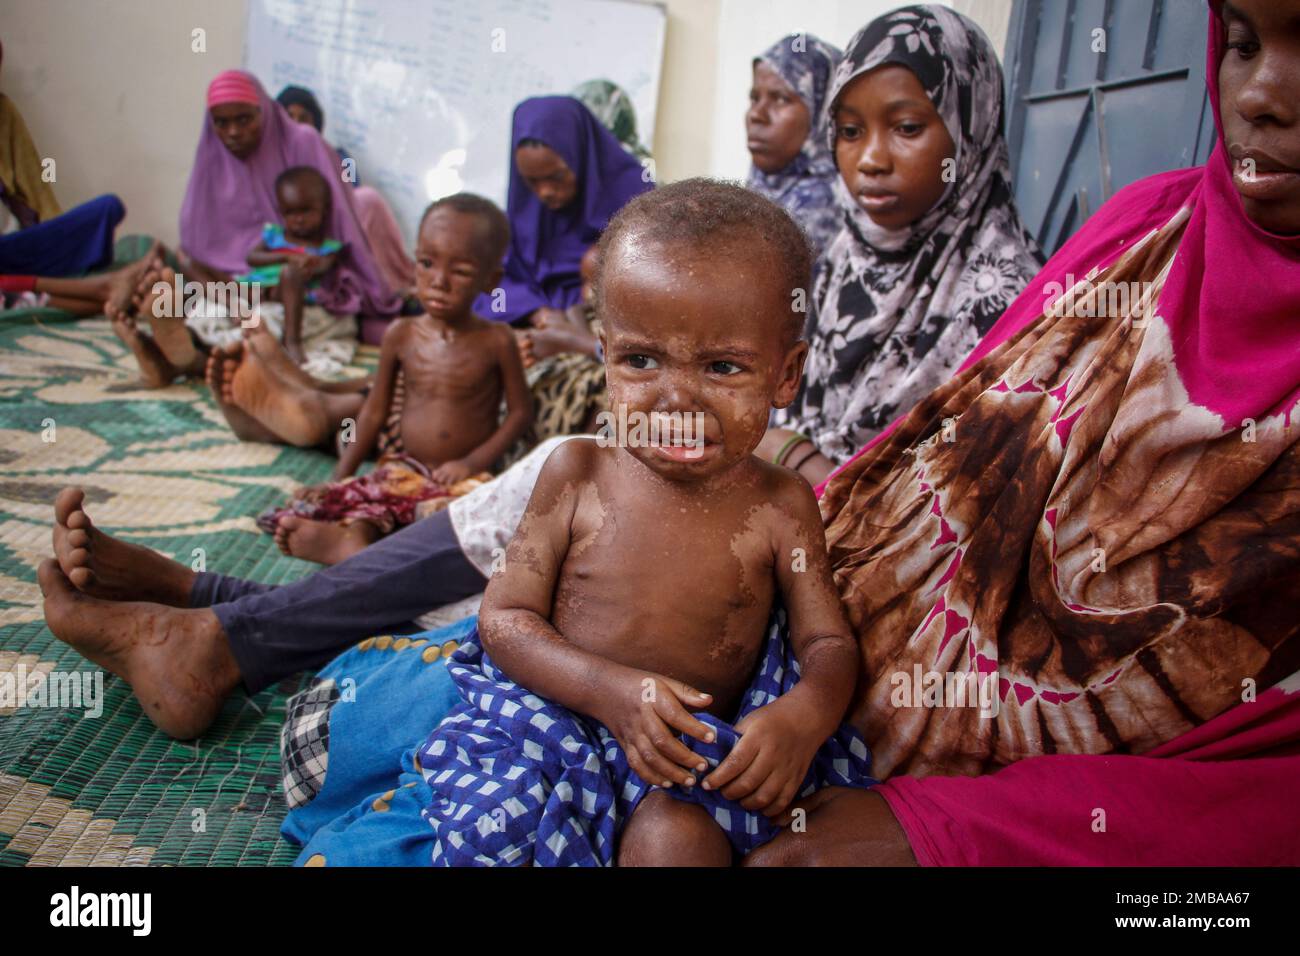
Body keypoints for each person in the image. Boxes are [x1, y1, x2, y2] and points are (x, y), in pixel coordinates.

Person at [37, 0, 1300, 865]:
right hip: (773, 504)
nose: (1265, 95)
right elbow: (919, 448)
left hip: (814, 592)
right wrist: (643, 377)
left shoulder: (984, 271)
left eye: (904, 128)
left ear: (968, 137)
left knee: (593, 481)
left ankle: (222, 615)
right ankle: (221, 612)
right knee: (573, 478)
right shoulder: (1137, 232)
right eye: (1239, 37)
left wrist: (733, 441)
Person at [417, 180, 866, 866]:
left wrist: (803, 716)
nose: (675, 397)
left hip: (691, 754)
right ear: (604, 357)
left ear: (786, 374)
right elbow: (504, 620)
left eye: (721, 367)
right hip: (555, 722)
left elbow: (828, 641)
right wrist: (609, 691)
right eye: (640, 360)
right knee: (493, 829)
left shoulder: (781, 506)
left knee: (678, 845)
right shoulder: (578, 474)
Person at [764, 5, 1042, 480]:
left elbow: (961, 502)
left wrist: (790, 456)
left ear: (968, 128)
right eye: (850, 132)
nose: (871, 159)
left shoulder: (1009, 294)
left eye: (907, 128)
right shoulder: (842, 257)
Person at [260, 193, 533, 566]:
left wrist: (471, 462)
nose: (439, 281)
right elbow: (373, 412)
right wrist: (341, 476)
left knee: (467, 523)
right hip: (405, 468)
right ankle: (350, 541)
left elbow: (520, 414)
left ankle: (378, 549)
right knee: (366, 500)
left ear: (491, 280)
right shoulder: (400, 334)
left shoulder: (497, 340)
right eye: (426, 263)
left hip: (462, 478)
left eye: (462, 271)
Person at [480, 95, 651, 327]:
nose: (544, 192)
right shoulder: (522, 214)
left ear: (582, 155)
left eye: (556, 177)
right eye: (532, 181)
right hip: (539, 319)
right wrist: (536, 313)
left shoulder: (639, 198)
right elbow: (496, 282)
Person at [276, 83, 417, 302]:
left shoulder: (342, 157)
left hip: (339, 224)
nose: (296, 125)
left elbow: (352, 194)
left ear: (316, 125)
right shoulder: (273, 162)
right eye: (288, 117)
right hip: (297, 232)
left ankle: (395, 284)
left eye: (303, 118)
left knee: (368, 199)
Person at [745, 33, 844, 257]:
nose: (756, 114)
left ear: (824, 110)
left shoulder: (829, 204)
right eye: (754, 98)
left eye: (780, 98)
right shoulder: (762, 183)